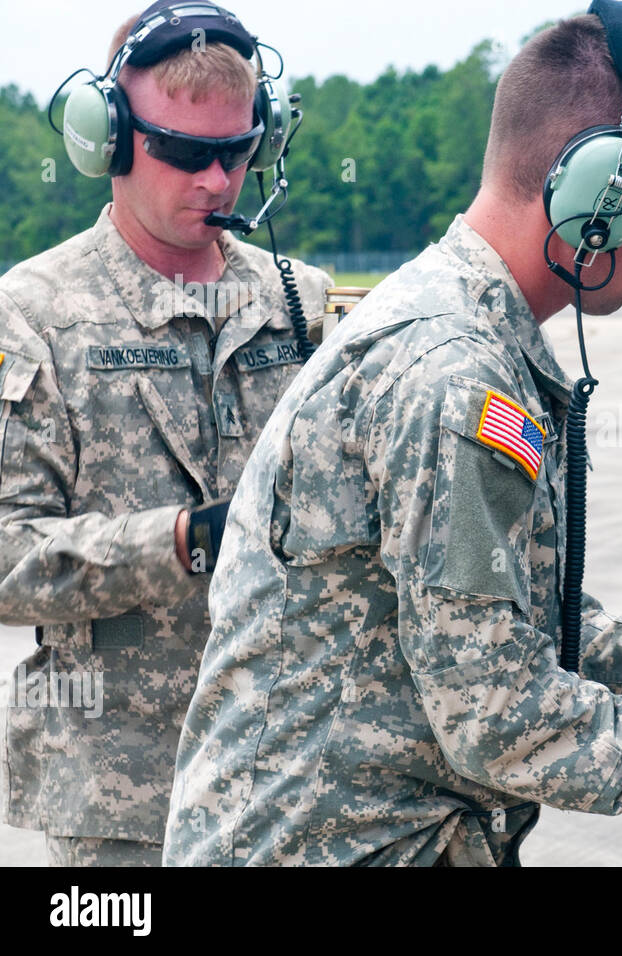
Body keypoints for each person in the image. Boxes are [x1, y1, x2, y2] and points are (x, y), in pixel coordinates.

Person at [163, 7, 622, 867]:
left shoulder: (473, 338)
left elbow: (545, 636)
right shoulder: (453, 375)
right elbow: (505, 721)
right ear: (608, 187)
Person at [0, 2, 330, 866]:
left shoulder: (301, 300)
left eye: (240, 149)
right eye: (183, 152)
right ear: (108, 140)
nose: (218, 181)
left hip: (301, 780)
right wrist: (188, 542)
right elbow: (4, 558)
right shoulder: (32, 314)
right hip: (127, 804)